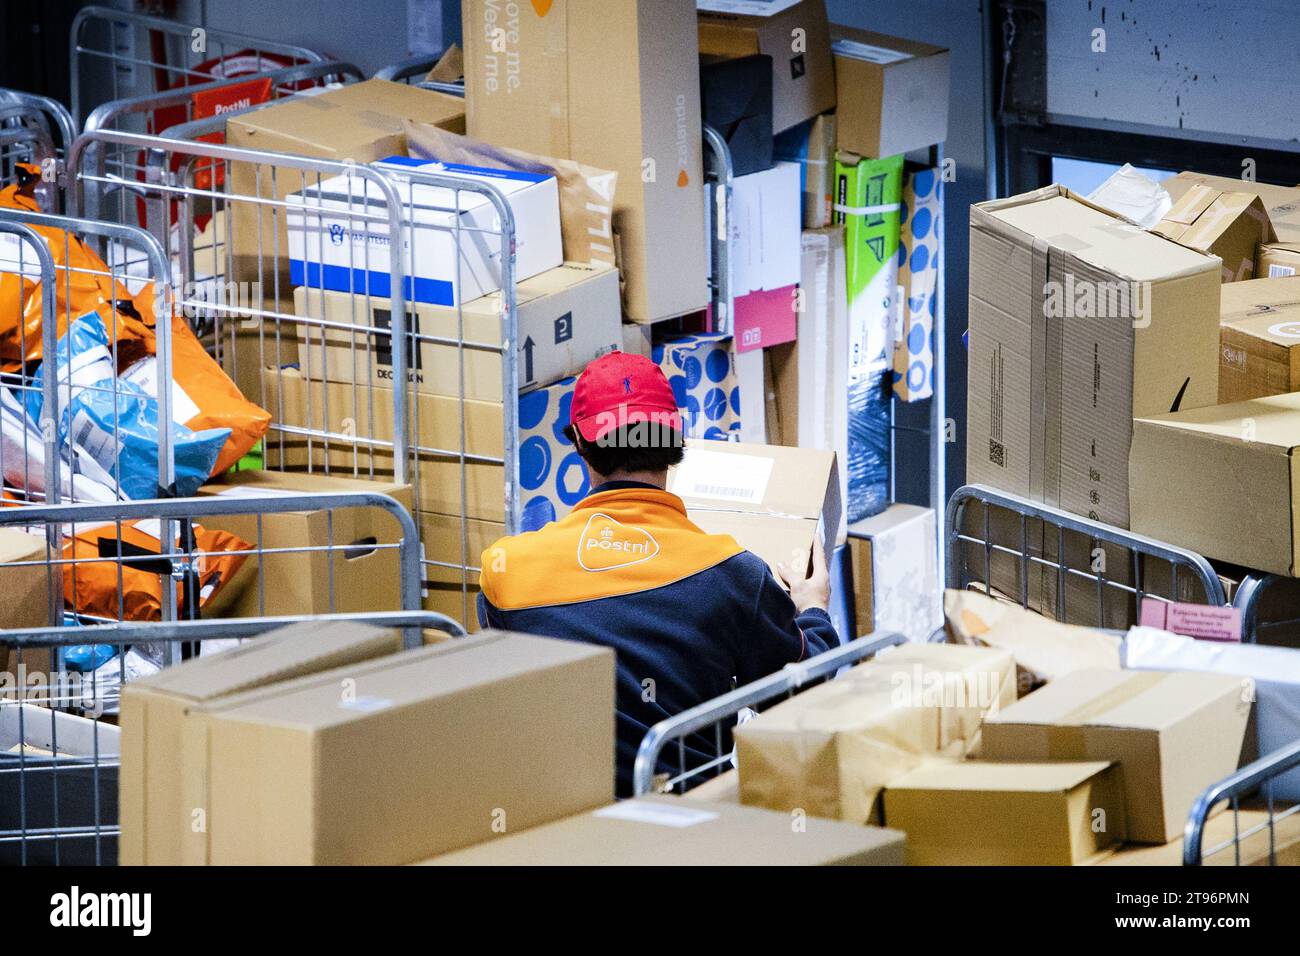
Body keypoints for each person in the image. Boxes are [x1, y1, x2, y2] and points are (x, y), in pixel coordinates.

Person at [478, 351, 839, 795]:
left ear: (579, 446)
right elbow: (806, 684)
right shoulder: (733, 575)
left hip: (553, 823)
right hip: (684, 823)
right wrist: (813, 608)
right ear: (676, 443)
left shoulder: (507, 573)